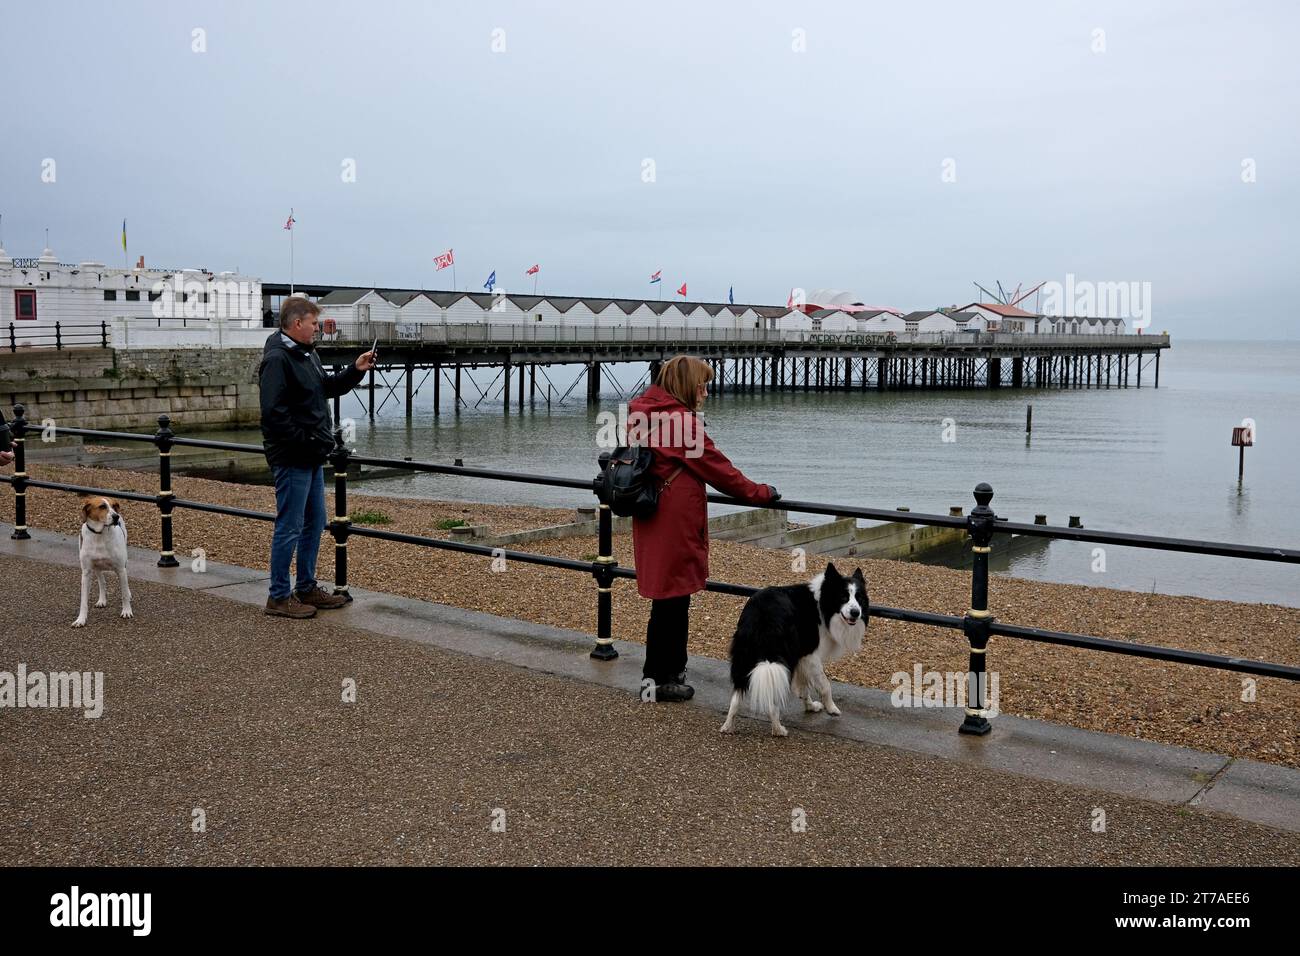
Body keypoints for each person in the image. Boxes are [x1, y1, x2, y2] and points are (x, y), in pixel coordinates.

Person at [626, 355, 778, 702]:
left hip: (650, 515)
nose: (707, 392)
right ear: (686, 387)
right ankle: (667, 678)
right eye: (702, 386)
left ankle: (654, 676)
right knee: (675, 600)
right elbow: (719, 469)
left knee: (664, 601)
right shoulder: (681, 424)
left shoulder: (640, 412)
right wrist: (760, 492)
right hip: (674, 521)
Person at [259, 296, 376, 618]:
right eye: (313, 324)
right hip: (293, 456)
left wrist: (355, 370)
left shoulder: (306, 353)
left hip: (310, 454)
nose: (317, 329)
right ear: (297, 324)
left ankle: (306, 587)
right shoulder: (277, 359)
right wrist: (305, 442)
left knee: (314, 524)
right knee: (289, 526)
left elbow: (325, 387)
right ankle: (279, 597)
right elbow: (273, 414)